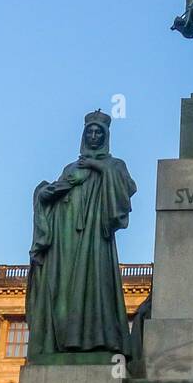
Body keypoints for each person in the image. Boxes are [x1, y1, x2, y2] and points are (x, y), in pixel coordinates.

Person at [26, 111, 135, 358]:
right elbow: (54, 194)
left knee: (96, 284)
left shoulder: (115, 165)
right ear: (84, 136)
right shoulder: (71, 167)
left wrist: (99, 167)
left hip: (96, 236)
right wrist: (44, 193)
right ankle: (64, 340)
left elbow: (126, 190)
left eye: (98, 132)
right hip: (66, 237)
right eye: (90, 132)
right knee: (64, 288)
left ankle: (97, 340)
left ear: (105, 136)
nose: (94, 136)